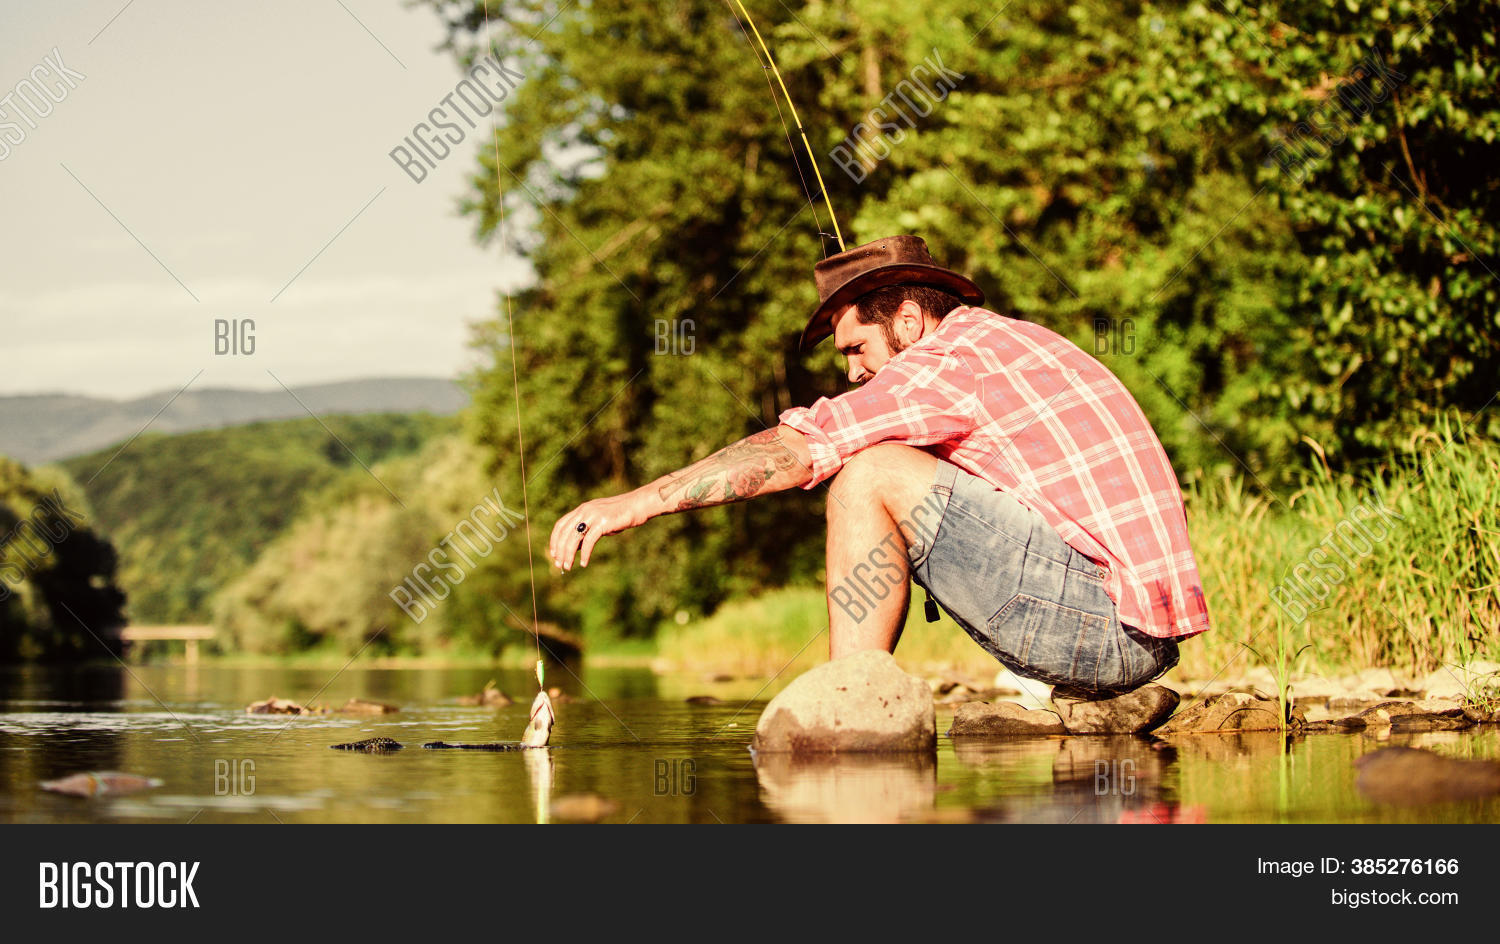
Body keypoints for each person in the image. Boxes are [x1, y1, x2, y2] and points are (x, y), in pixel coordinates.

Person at [549, 235, 1209, 695]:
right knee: (886, 463)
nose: (852, 370)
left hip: (1107, 631)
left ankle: (852, 701)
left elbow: (799, 449)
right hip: (1133, 630)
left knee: (868, 473)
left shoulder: (944, 363)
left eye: (857, 346)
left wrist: (634, 503)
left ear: (912, 321)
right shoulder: (1004, 341)